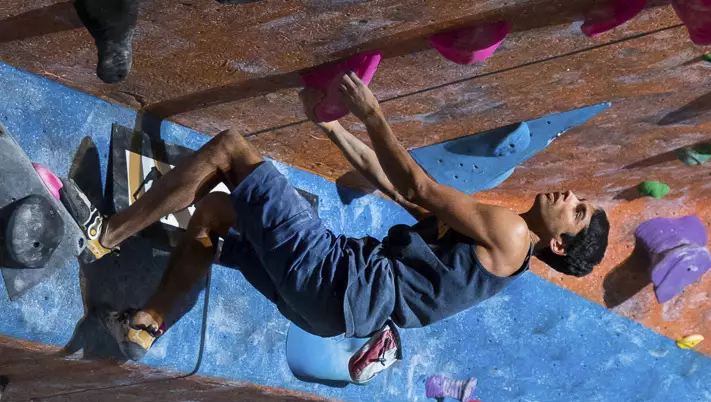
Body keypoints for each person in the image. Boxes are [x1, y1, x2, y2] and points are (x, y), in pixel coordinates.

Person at [62, 73, 610, 381]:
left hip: (337, 278)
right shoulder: (495, 254)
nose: (569, 198)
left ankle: (105, 232)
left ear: (558, 243)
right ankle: (146, 325)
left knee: (231, 149)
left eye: (577, 211)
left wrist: (373, 113)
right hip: (328, 311)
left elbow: (419, 186)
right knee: (216, 216)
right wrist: (331, 129)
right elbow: (394, 188)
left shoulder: (513, 237)